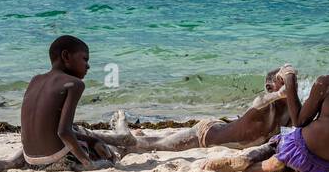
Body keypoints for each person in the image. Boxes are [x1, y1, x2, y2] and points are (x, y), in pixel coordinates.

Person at [203, 23, 329, 172]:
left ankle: (250, 159)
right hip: (328, 163)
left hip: (300, 149)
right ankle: (276, 164)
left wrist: (290, 80)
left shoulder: (326, 83)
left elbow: (299, 121)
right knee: (292, 152)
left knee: (279, 142)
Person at [95, 65, 298, 154]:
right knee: (143, 145)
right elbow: (261, 99)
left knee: (151, 143)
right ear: (271, 87)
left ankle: (136, 133)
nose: (288, 84)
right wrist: (283, 91)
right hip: (205, 134)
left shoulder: (289, 110)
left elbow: (299, 126)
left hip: (221, 127)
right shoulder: (266, 105)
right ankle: (121, 126)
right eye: (282, 81)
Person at [18, 35, 127, 170]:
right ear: (66, 56)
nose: (88, 66)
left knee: (88, 140)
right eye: (84, 59)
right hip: (58, 159)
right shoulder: (75, 84)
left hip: (30, 161)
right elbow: (63, 132)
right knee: (108, 157)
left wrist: (93, 140)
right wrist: (88, 164)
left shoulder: (35, 80)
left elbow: (46, 128)